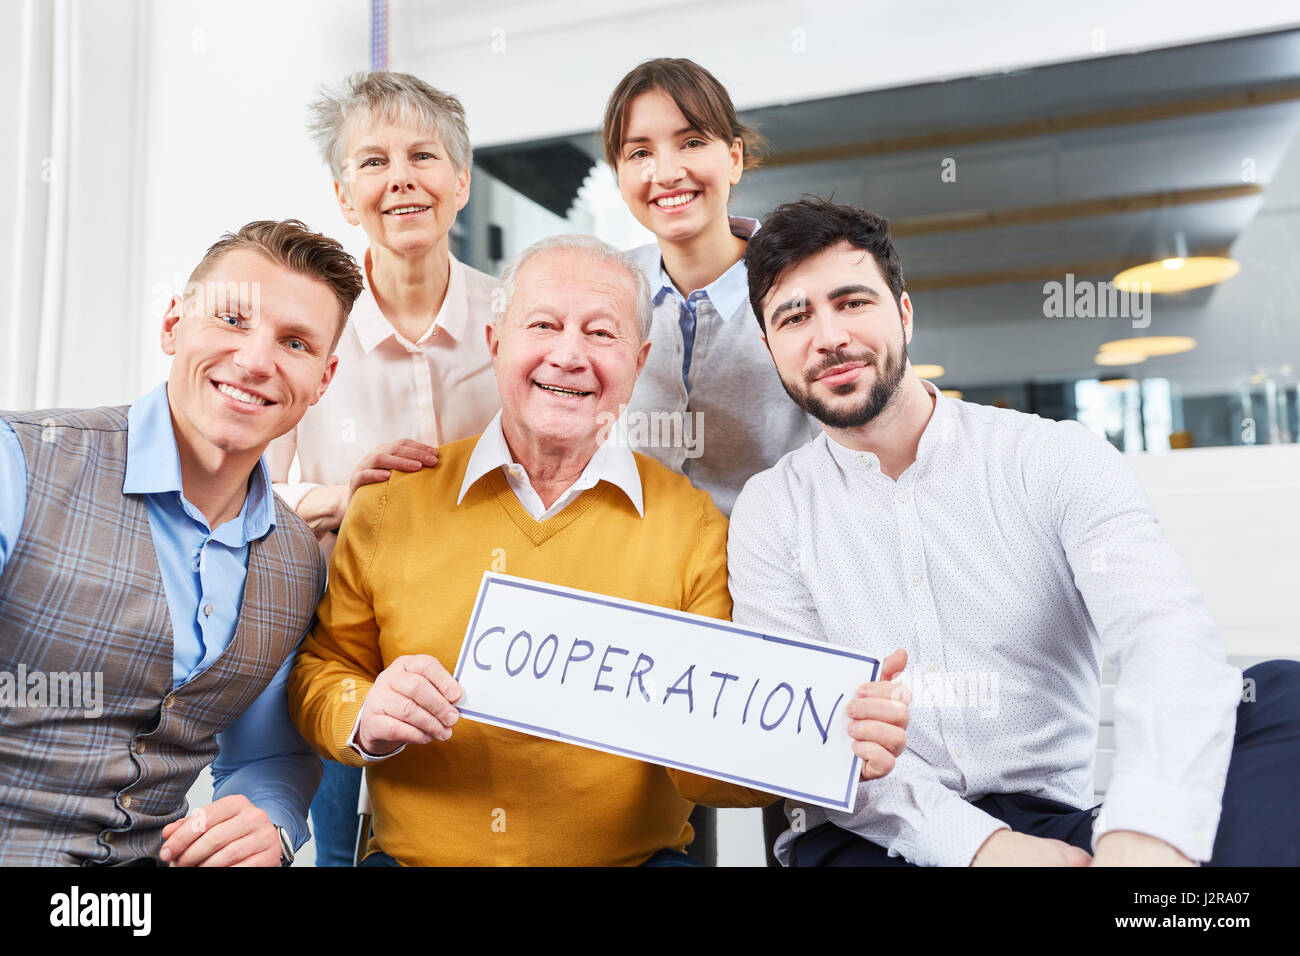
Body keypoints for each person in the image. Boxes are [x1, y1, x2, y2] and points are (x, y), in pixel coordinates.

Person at [287, 234, 909, 866]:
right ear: (495, 344)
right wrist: (362, 710)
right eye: (543, 324)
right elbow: (322, 670)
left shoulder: (692, 525)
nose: (569, 355)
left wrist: (826, 743)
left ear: (638, 363)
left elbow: (718, 762)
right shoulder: (395, 501)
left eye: (601, 333)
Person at [730, 196, 1300, 867]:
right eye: (794, 317)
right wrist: (984, 849)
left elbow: (1163, 635)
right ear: (771, 349)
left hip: (1058, 826)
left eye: (852, 302)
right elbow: (810, 737)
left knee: (1283, 696)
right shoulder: (770, 511)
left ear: (904, 315)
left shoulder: (1052, 458)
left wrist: (1141, 835)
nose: (828, 337)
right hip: (877, 836)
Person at [0, 219, 364, 866]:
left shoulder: (296, 561)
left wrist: (269, 821)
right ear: (172, 325)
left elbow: (268, 754)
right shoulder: (19, 464)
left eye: (295, 343)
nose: (256, 361)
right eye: (231, 319)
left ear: (323, 379)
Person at [266, 71, 501, 866]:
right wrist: (345, 495)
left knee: (459, 833)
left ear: (461, 181)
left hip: (479, 631)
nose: (400, 178)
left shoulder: (516, 321)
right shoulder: (305, 330)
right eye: (372, 162)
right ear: (343, 194)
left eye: (423, 156)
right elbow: (250, 494)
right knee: (334, 849)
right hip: (335, 630)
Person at [602, 57, 818, 519]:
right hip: (641, 569)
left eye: (692, 142)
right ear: (619, 175)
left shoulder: (804, 285)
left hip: (773, 563)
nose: (666, 173)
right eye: (639, 153)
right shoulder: (606, 289)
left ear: (734, 158)